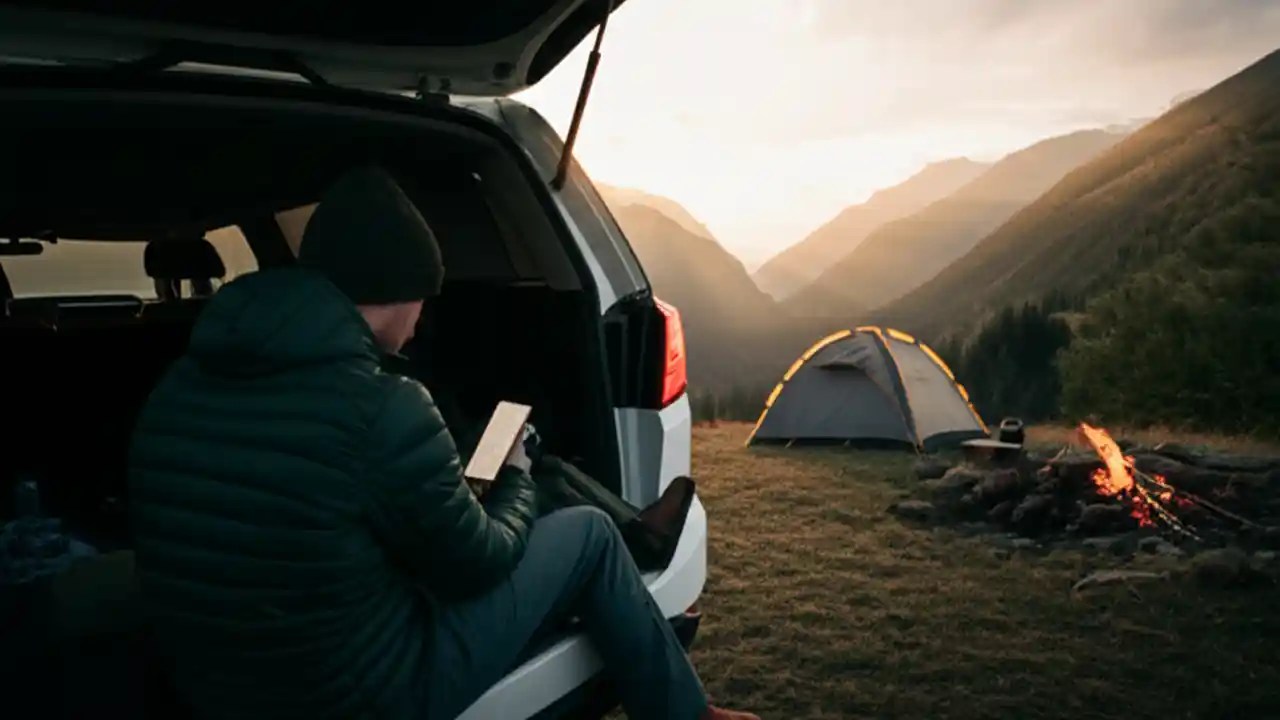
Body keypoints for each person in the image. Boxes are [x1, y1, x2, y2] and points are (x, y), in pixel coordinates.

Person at [126, 164, 758, 720]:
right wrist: (511, 475)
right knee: (588, 533)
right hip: (360, 695)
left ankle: (628, 537)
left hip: (216, 687)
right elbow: (477, 563)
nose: (422, 318)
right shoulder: (383, 404)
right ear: (401, 292)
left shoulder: (179, 386)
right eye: (424, 299)